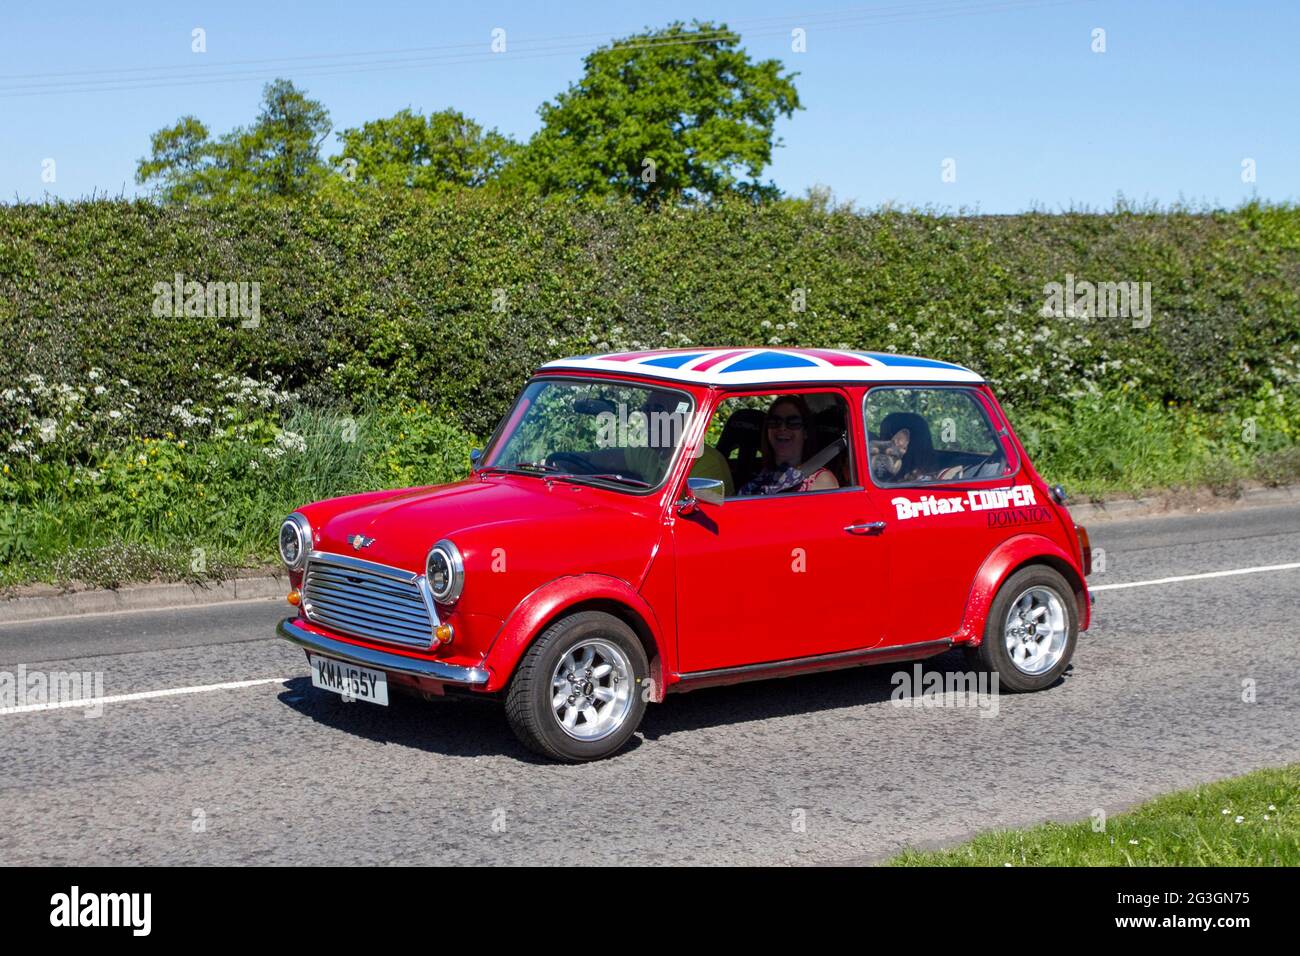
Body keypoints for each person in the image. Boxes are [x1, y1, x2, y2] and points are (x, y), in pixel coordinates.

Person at [737, 395, 840, 496]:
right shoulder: (761, 475)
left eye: (793, 422)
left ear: (805, 432)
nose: (782, 428)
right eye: (775, 422)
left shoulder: (822, 481)